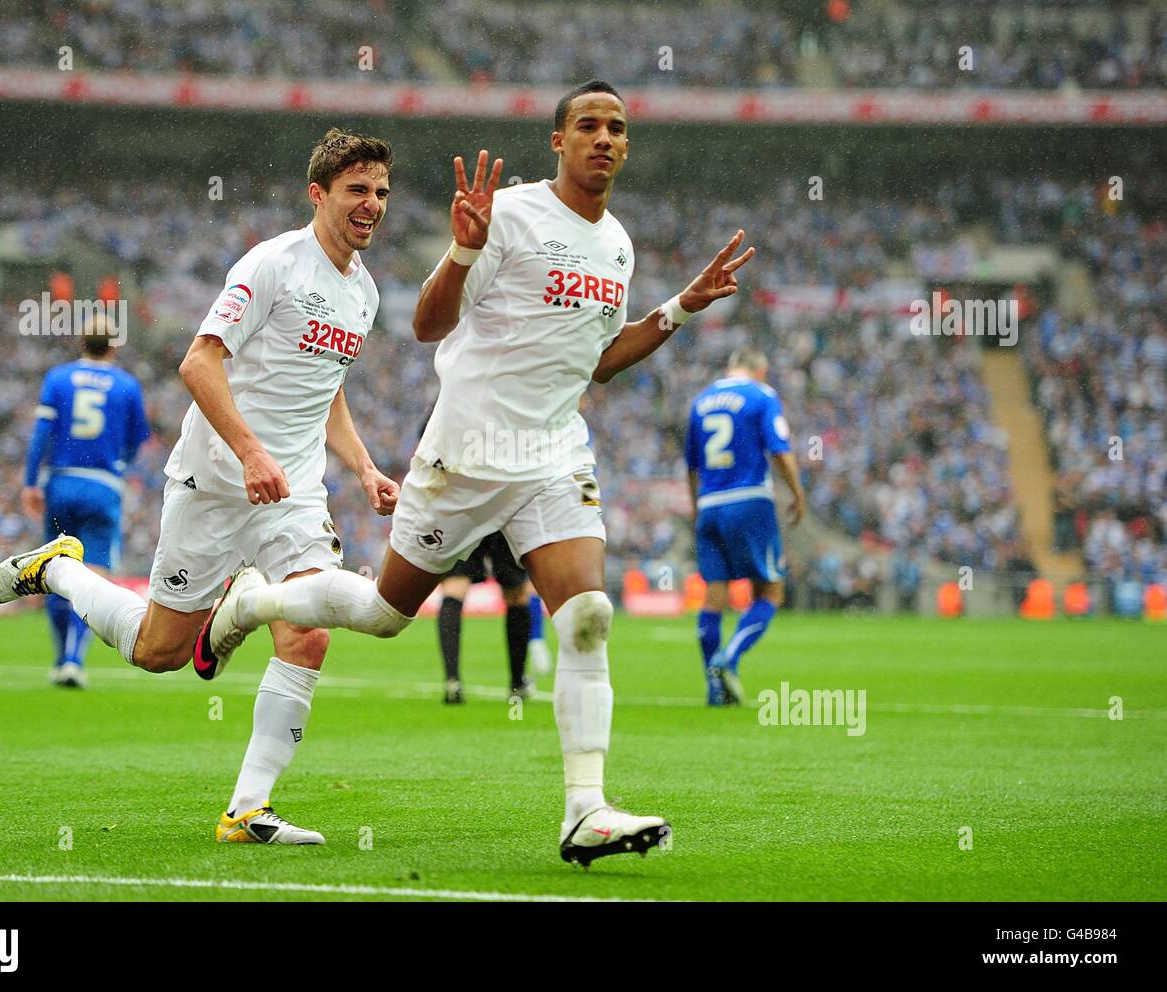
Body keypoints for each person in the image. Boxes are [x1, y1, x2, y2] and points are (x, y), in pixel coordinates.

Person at [203, 80, 756, 866]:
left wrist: (680, 309)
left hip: (553, 453)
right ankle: (256, 600)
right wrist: (464, 248)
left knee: (590, 615)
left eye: (618, 128)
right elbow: (430, 324)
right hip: (464, 452)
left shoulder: (619, 246)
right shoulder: (514, 213)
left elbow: (598, 365)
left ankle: (585, 810)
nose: (605, 138)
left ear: (628, 146)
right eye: (588, 125)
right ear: (558, 142)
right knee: (386, 614)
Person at [0, 128, 400, 846]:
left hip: (295, 490)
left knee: (307, 638)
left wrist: (362, 466)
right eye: (358, 190)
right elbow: (199, 362)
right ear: (319, 194)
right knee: (159, 652)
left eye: (382, 192)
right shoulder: (273, 264)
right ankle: (56, 569)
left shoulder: (362, 292)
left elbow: (326, 390)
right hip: (216, 479)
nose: (373, 204)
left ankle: (246, 810)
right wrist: (248, 453)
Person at [21, 324, 150, 689]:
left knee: (55, 568)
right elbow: (137, 439)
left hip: (61, 480)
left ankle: (61, 657)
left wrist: (31, 482)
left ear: (82, 343)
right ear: (113, 348)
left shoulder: (58, 378)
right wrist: (119, 464)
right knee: (92, 574)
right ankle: (75, 659)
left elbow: (40, 436)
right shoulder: (126, 385)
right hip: (102, 485)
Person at [686, 350, 804, 706]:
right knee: (770, 591)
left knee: (714, 595)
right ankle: (729, 658)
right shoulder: (762, 395)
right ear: (761, 370)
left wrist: (696, 508)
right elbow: (779, 449)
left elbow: (691, 466)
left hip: (709, 503)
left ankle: (714, 689)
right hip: (749, 499)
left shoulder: (701, 401)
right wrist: (798, 492)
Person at [437, 532, 535, 704]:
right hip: (503, 518)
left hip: (466, 516)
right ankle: (517, 684)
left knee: (454, 588)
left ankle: (453, 680)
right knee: (515, 595)